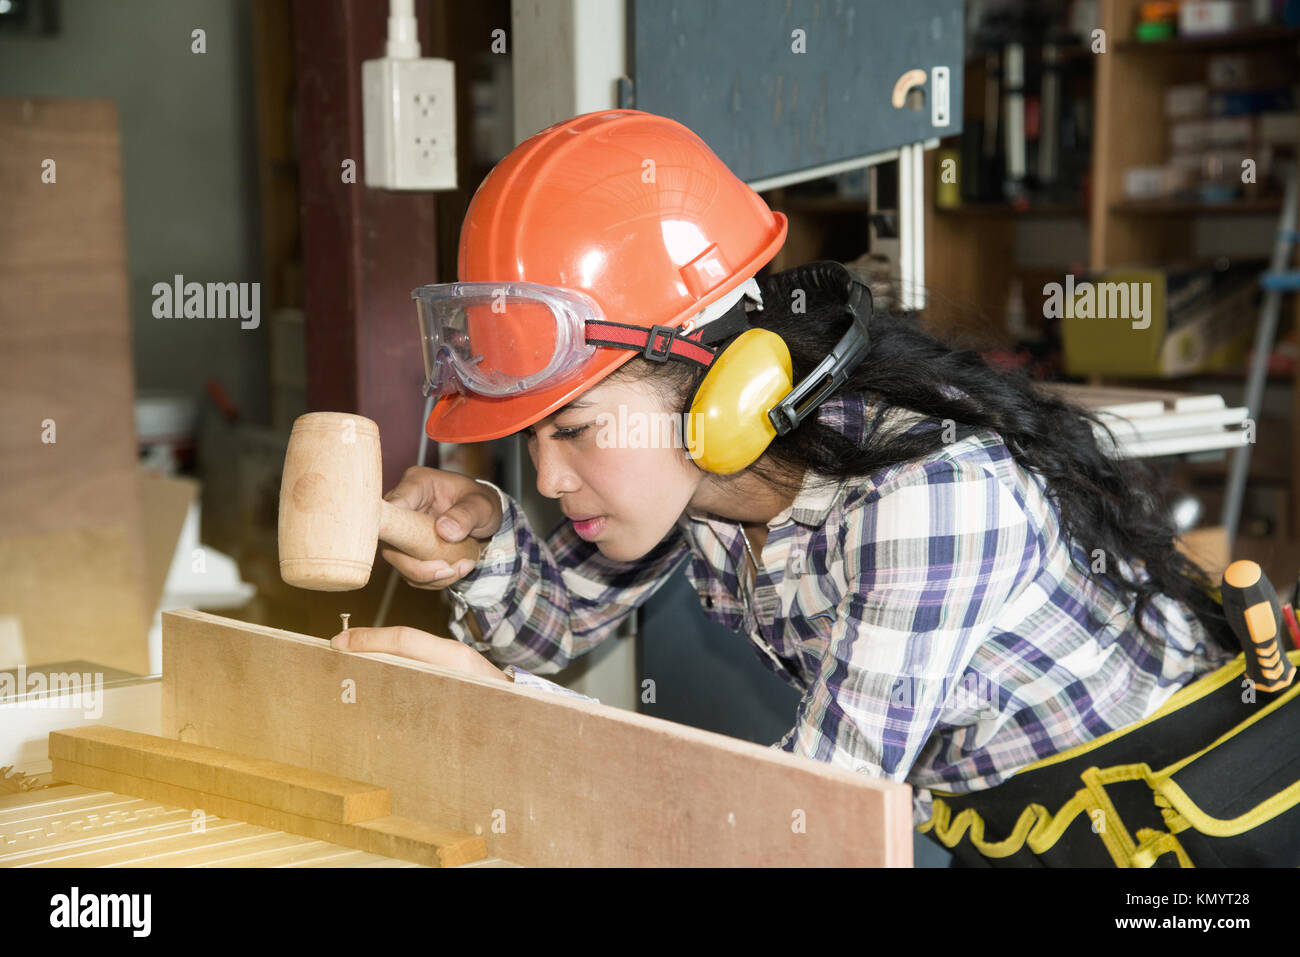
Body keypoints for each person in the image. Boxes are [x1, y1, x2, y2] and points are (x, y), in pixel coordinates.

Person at [332, 109, 1300, 867]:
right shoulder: (701, 473)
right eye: (531, 440)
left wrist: (508, 715)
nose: (545, 476)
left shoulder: (926, 501)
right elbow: (545, 628)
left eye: (575, 428)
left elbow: (796, 833)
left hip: (1178, 838)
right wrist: (482, 544)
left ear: (712, 384)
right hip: (1015, 826)